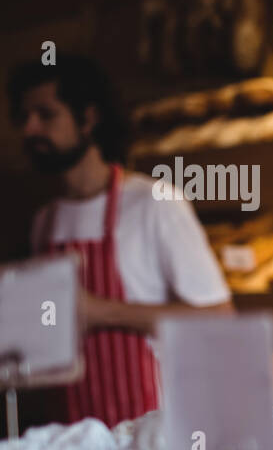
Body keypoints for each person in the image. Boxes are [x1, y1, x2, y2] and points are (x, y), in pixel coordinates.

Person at [7, 54, 232, 427]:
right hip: (71, 434)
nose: (30, 130)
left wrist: (99, 311)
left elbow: (220, 320)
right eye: (23, 117)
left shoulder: (155, 203)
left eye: (45, 115)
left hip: (151, 433)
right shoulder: (44, 222)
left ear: (88, 118)